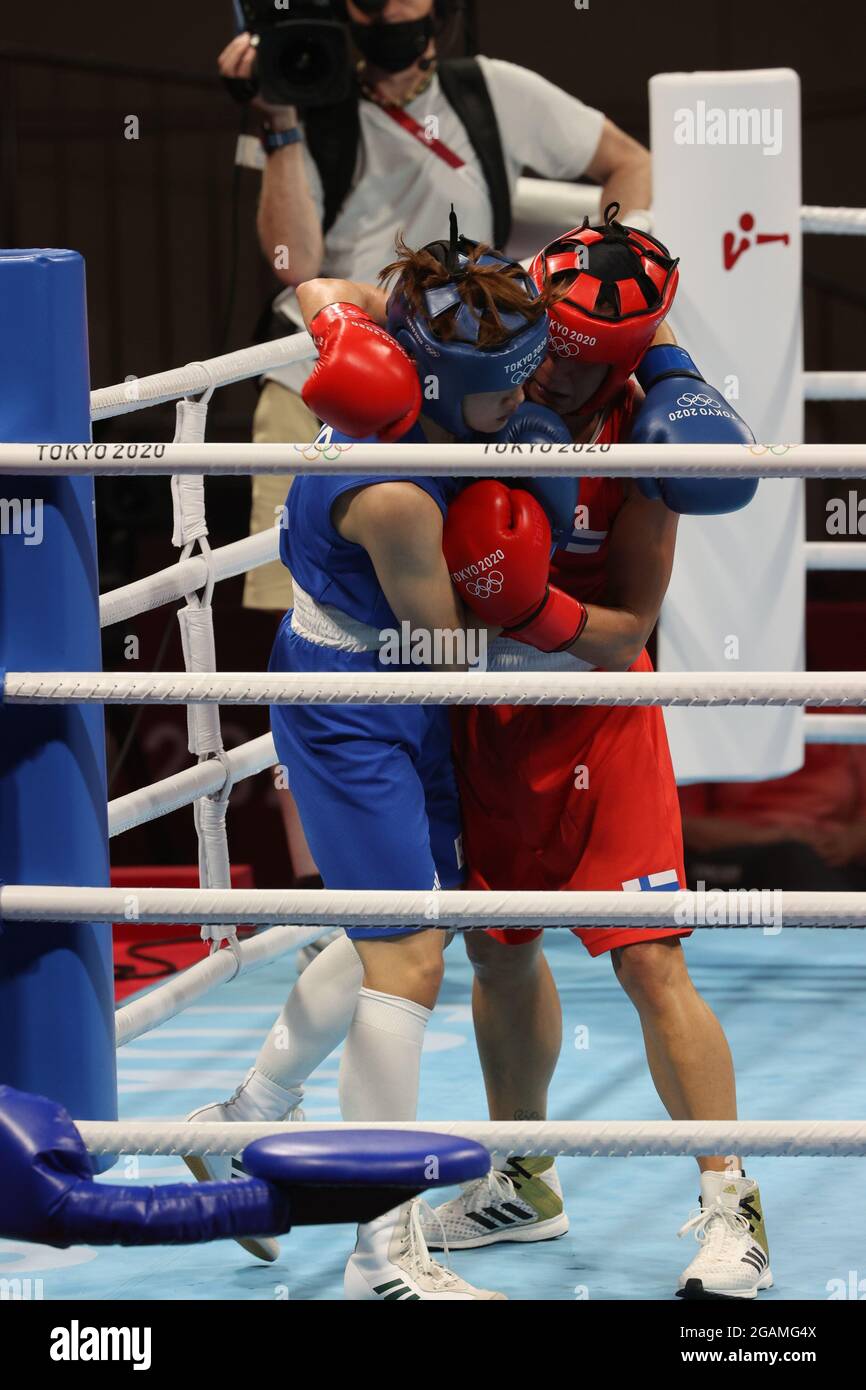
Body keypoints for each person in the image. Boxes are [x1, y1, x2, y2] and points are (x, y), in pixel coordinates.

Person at [188, 219, 568, 1300]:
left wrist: (346, 310)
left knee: (391, 931)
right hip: (361, 698)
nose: (519, 409)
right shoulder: (398, 494)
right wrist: (521, 563)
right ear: (443, 389)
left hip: (380, 687)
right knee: (408, 960)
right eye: (504, 395)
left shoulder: (383, 352)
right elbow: (446, 653)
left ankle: (243, 1120)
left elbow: (317, 287)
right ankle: (380, 1253)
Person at [220, 0, 651, 907]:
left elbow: (628, 163)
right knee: (319, 619)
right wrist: (283, 121)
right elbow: (294, 258)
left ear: (440, 14)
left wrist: (598, 299)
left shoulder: (494, 93)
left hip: (480, 388)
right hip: (335, 384)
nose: (390, 16)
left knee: (440, 615)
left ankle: (431, 874)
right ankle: (340, 905)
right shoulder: (304, 91)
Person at [427, 207, 770, 1300]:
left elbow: (627, 628)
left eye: (580, 369)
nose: (554, 384)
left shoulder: (641, 433)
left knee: (647, 958)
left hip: (598, 718)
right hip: (484, 715)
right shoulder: (482, 371)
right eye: (551, 360)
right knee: (495, 948)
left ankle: (733, 1209)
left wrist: (529, 609)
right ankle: (522, 1179)